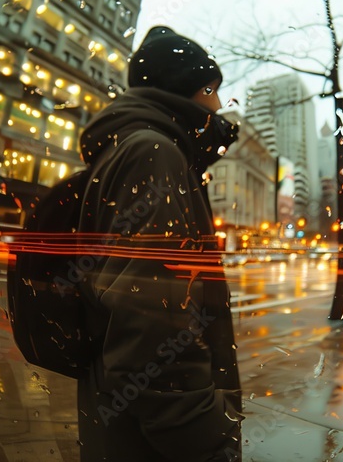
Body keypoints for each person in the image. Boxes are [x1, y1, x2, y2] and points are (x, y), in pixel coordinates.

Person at [74, 26, 242, 461]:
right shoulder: (154, 152)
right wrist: (206, 438)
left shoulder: (135, 147)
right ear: (178, 89)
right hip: (156, 442)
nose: (219, 104)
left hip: (124, 424)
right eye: (210, 89)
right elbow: (151, 323)